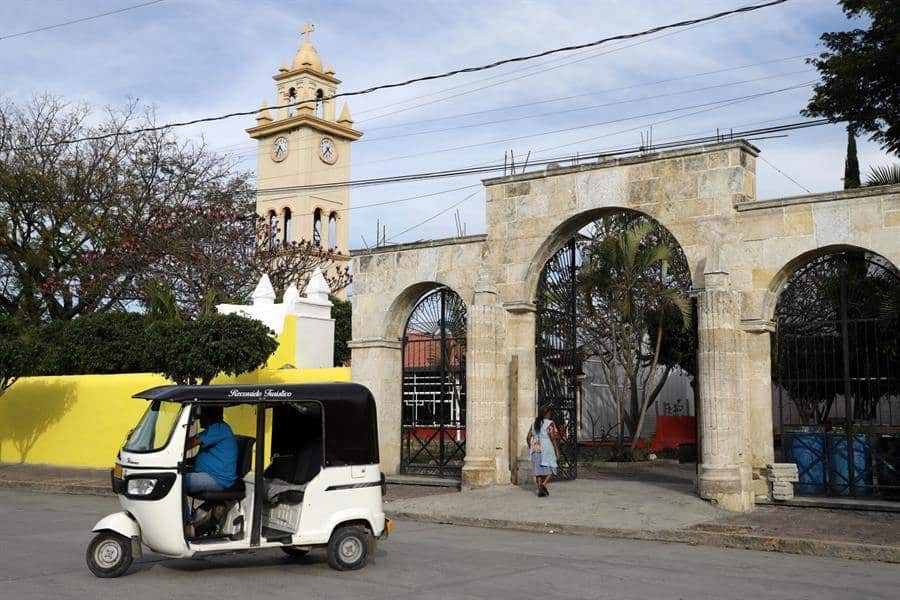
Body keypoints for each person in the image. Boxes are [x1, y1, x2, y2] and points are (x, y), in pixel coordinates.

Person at [183, 406, 238, 537]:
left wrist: (174, 446)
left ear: (210, 415)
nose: (200, 418)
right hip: (209, 476)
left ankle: (187, 524)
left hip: (217, 479)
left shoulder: (219, 428)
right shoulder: (212, 430)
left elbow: (191, 443)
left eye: (202, 414)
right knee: (177, 477)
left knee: (177, 482)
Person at [526, 404, 559, 497]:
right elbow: (553, 437)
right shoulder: (550, 423)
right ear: (547, 413)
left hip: (535, 449)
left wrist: (531, 447)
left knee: (538, 471)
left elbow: (528, 437)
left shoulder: (534, 424)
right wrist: (557, 450)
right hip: (547, 449)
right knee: (553, 468)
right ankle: (543, 485)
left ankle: (540, 488)